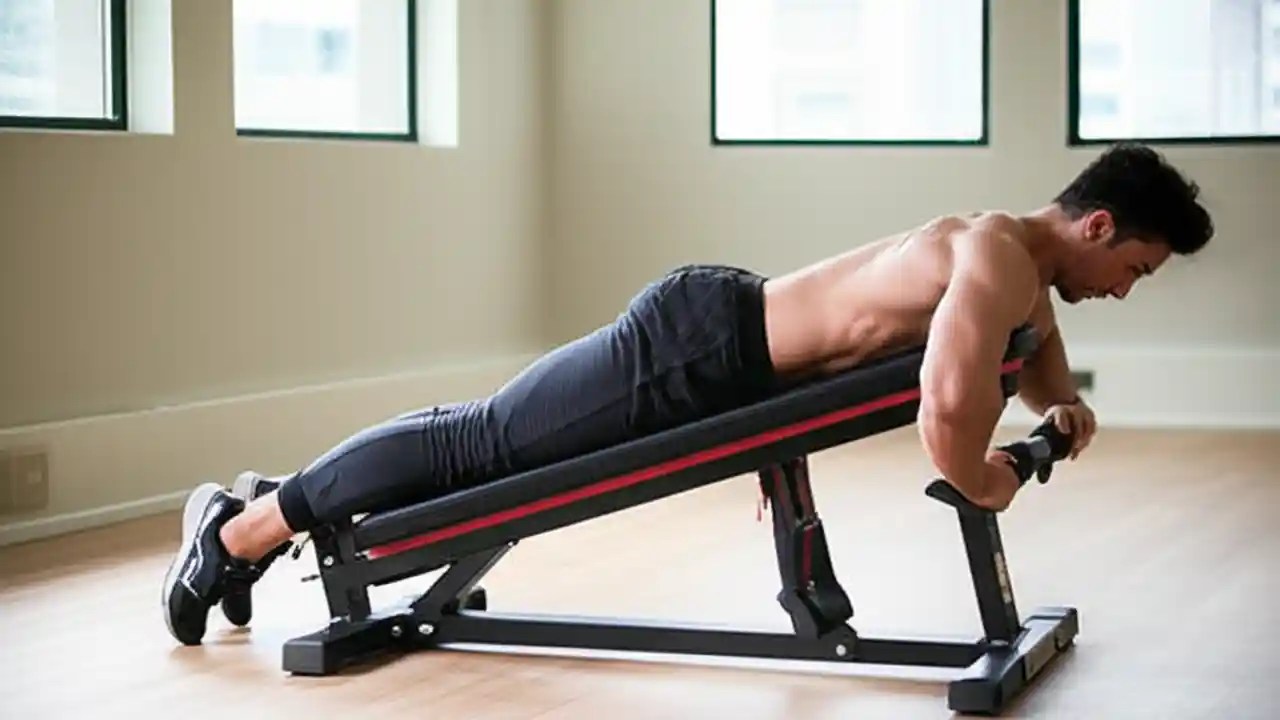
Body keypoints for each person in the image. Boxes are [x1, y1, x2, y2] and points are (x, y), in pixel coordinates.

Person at [162, 142, 1213, 646]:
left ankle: (259, 505)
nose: (1126, 290)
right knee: (477, 447)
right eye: (1135, 268)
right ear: (1096, 227)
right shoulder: (995, 258)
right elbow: (945, 415)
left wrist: (1058, 409)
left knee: (478, 439)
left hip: (722, 351)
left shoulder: (1018, 269)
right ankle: (238, 530)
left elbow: (1035, 347)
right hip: (693, 350)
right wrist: (985, 476)